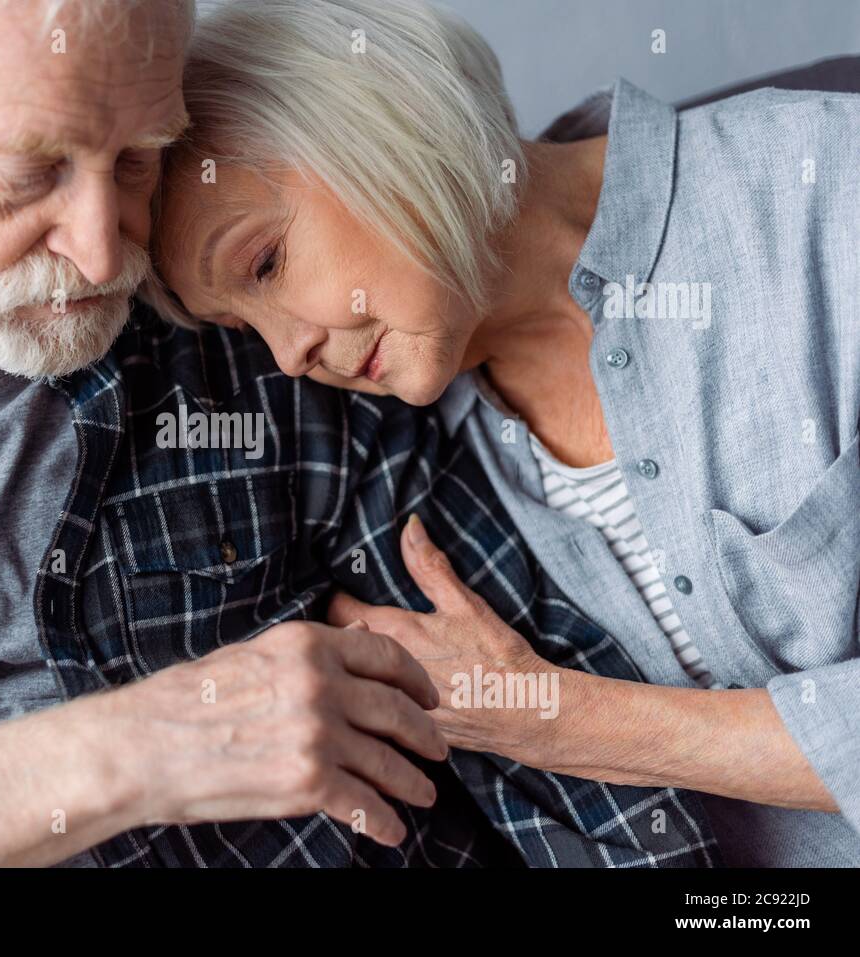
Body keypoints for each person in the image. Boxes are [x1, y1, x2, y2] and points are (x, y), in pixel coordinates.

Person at [0, 0, 715, 868]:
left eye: (138, 159)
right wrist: (141, 748)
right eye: (30, 171)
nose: (102, 248)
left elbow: (551, 747)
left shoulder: (240, 325)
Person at [149, 0, 860, 866]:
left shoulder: (825, 190)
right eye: (240, 327)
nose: (289, 354)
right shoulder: (426, 473)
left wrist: (561, 720)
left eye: (264, 263)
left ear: (379, 117)